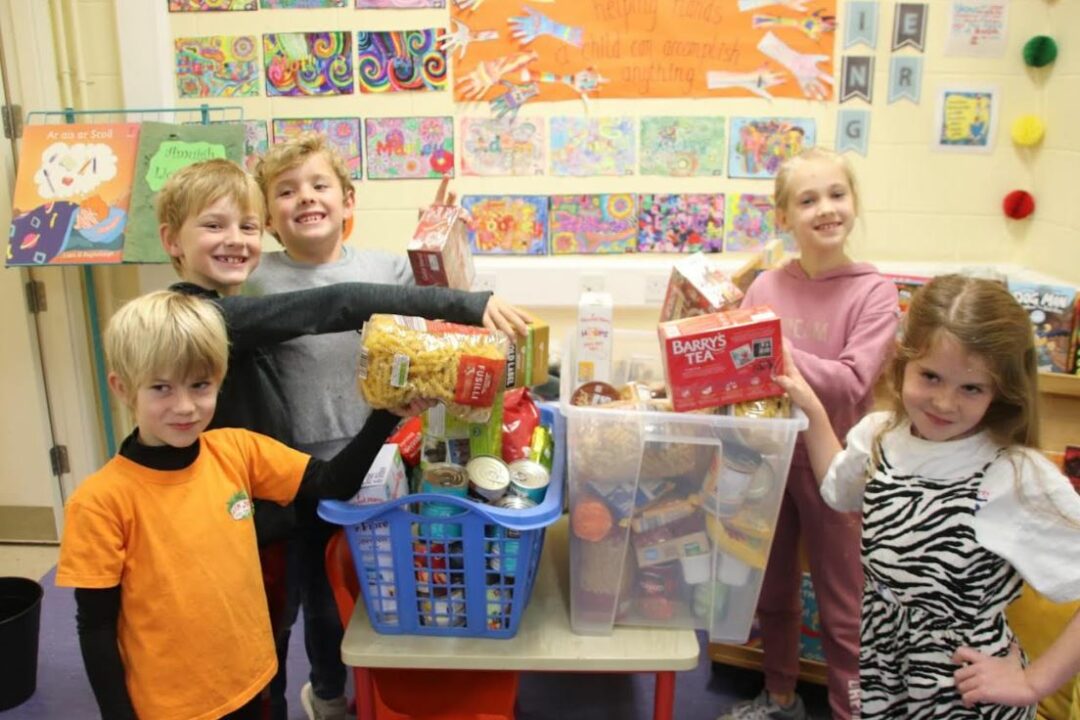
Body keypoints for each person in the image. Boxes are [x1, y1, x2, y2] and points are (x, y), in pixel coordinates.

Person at [157, 158, 530, 719]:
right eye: (214, 226)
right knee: (254, 656)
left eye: (246, 227)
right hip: (230, 524)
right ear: (173, 241)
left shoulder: (226, 308)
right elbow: (343, 302)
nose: (234, 240)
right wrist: (468, 305)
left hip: (272, 502)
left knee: (279, 635)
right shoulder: (202, 317)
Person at [55, 290, 433, 720]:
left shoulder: (236, 451)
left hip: (253, 683)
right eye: (161, 388)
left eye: (200, 385)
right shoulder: (99, 502)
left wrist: (387, 413)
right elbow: (96, 627)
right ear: (122, 387)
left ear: (219, 378)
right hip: (169, 708)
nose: (184, 406)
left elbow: (333, 482)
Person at [773, 274, 1080, 718]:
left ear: (999, 391)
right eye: (931, 376)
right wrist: (813, 409)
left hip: (964, 697)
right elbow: (838, 488)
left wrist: (1034, 682)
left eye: (970, 387)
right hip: (887, 681)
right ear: (902, 366)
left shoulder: (1013, 475)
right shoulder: (879, 437)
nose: (944, 403)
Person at [719, 148, 899, 720]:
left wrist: (775, 346)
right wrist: (711, 329)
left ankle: (851, 710)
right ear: (784, 217)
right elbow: (736, 372)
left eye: (837, 195)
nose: (826, 209)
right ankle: (778, 696)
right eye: (808, 199)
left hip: (837, 468)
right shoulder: (767, 285)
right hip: (766, 460)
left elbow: (851, 383)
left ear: (853, 203)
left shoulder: (875, 291)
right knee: (771, 593)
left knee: (843, 605)